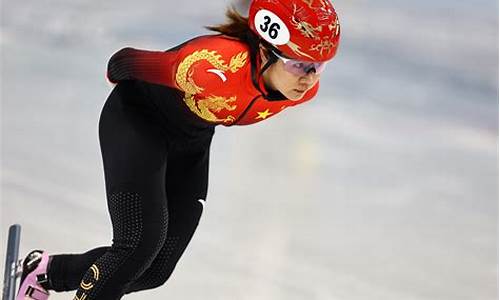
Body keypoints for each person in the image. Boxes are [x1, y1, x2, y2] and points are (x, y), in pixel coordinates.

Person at [16, 0, 340, 299]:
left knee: (156, 270)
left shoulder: (299, 90)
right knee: (137, 246)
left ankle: (45, 273)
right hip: (139, 121)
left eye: (319, 66)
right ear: (265, 50)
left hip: (192, 142)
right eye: (299, 64)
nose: (309, 78)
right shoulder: (211, 65)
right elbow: (124, 63)